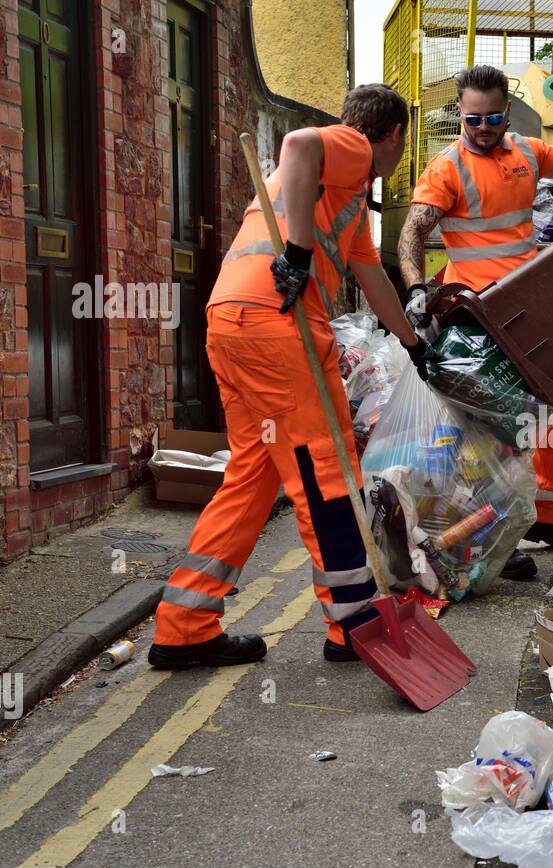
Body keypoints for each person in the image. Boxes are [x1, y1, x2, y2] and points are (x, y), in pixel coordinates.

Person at [149, 84, 437, 670]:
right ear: (394, 137)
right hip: (280, 329)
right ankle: (352, 621)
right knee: (326, 472)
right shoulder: (352, 147)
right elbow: (300, 143)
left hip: (230, 320)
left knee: (252, 476)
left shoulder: (346, 198)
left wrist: (413, 344)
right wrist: (301, 254)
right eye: (401, 147)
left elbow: (372, 278)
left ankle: (184, 625)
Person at [397, 64, 553, 580]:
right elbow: (412, 233)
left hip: (530, 305)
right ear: (459, 113)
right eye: (473, 118)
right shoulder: (446, 168)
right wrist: (416, 287)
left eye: (494, 117)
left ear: (508, 113)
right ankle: (485, 537)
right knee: (493, 430)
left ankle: (545, 515)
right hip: (479, 317)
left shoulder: (525, 151)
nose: (483, 128)